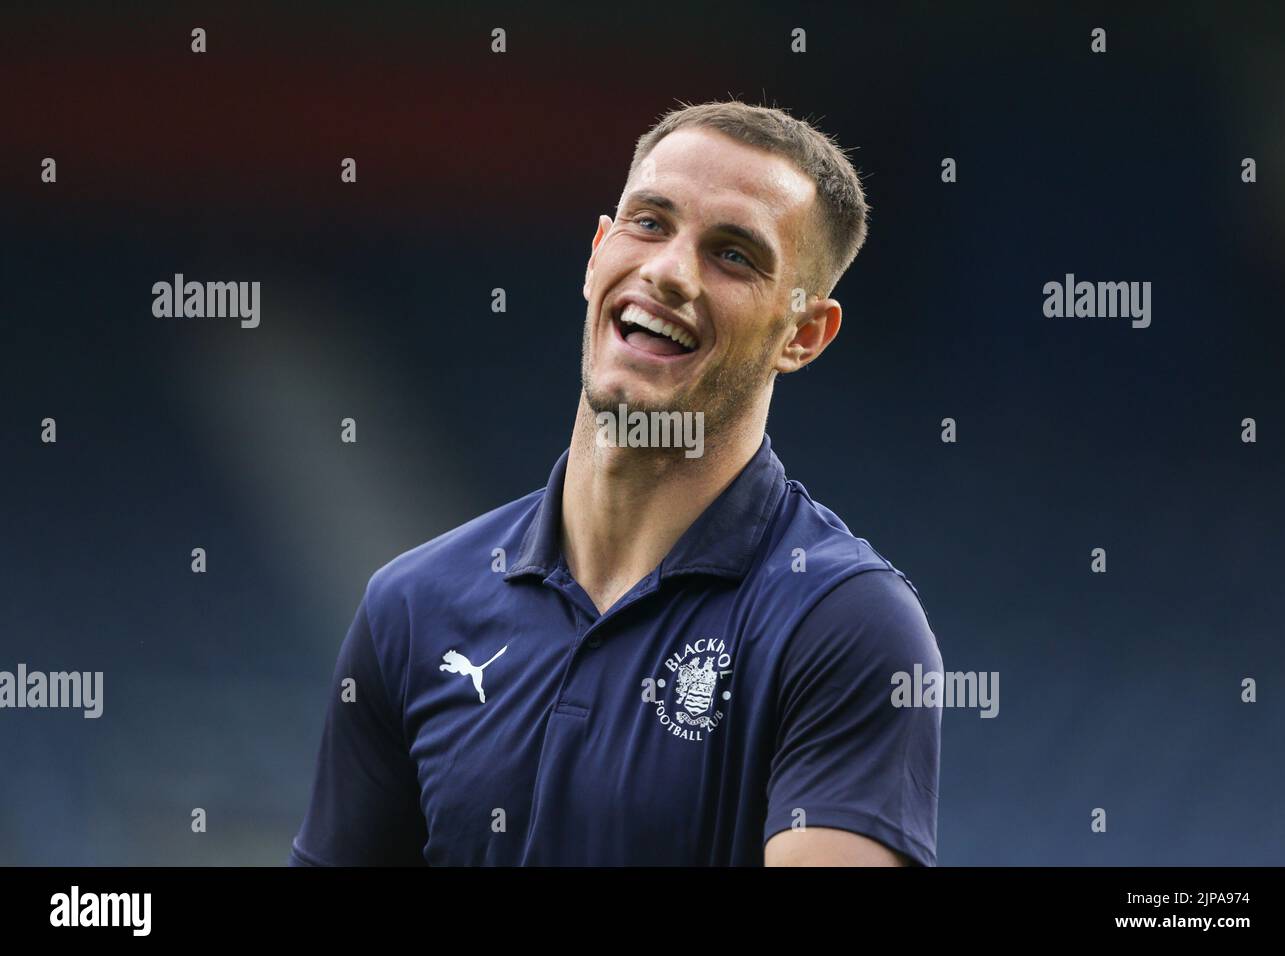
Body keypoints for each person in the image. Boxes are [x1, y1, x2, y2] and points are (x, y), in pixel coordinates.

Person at [289, 100, 943, 866]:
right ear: (598, 253)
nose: (668, 273)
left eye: (733, 254)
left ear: (802, 334)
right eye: (650, 223)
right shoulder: (410, 607)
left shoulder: (846, 627)